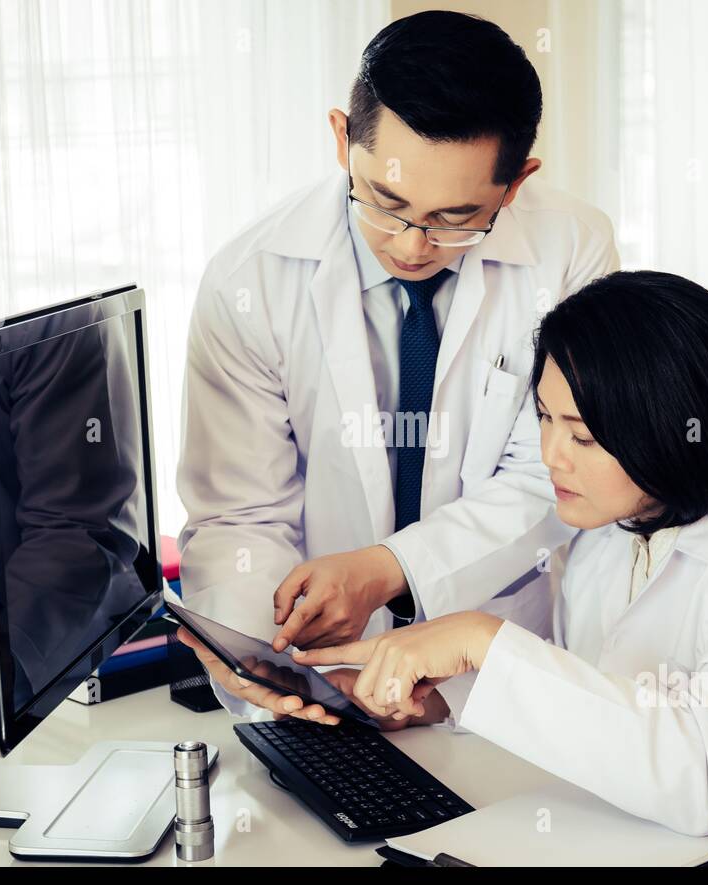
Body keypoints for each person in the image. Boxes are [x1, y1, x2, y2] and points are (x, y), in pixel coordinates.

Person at [294, 270, 708, 866]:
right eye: (546, 419)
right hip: (666, 840)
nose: (552, 455)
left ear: (675, 427)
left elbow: (707, 776)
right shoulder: (618, 524)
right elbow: (605, 696)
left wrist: (482, 641)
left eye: (583, 435)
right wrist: (443, 697)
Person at [177, 11, 618, 725]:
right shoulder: (247, 279)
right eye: (385, 202)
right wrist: (259, 649)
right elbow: (239, 510)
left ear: (516, 185)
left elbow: (556, 476)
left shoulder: (573, 249)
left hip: (492, 679)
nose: (413, 246)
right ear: (341, 140)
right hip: (312, 683)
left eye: (456, 217)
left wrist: (388, 571)